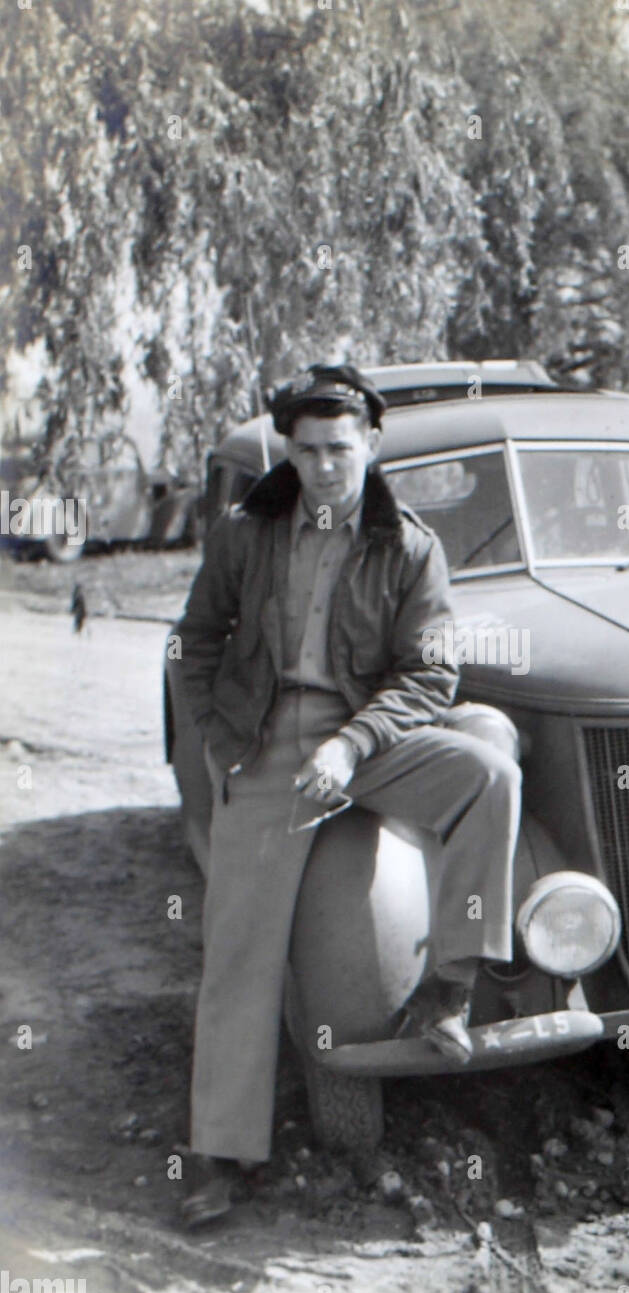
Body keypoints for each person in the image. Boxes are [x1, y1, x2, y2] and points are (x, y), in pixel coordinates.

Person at [174, 363, 521, 1226]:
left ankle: (448, 987)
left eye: (340, 447)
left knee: (489, 774)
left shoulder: (410, 544)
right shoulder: (245, 533)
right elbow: (196, 641)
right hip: (265, 744)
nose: (326, 466)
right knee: (240, 951)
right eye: (307, 449)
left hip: (367, 737)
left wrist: (351, 740)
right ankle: (219, 1153)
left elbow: (431, 671)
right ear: (286, 451)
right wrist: (224, 745)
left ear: (370, 443)